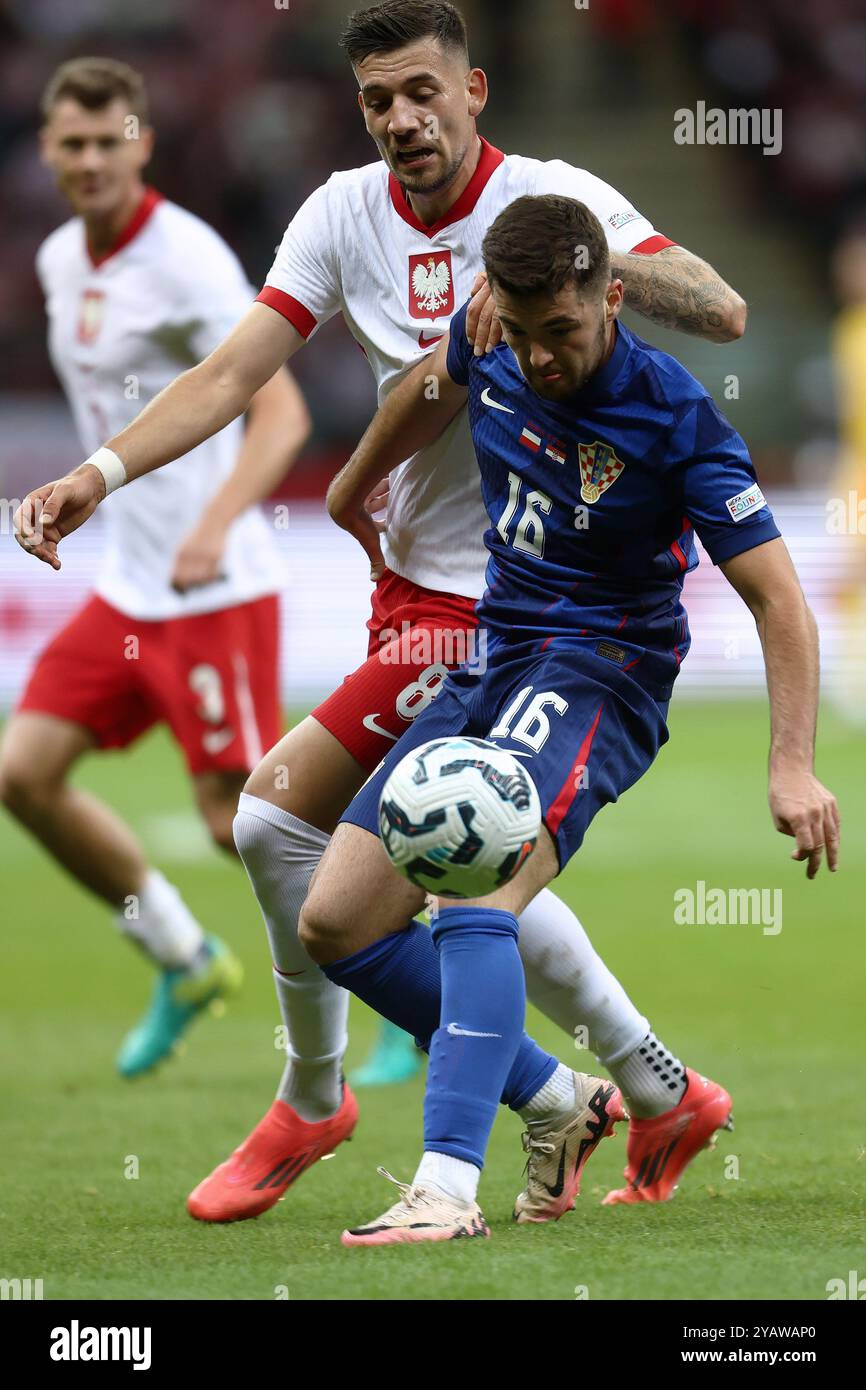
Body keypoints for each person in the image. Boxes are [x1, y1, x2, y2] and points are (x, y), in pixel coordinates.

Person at [14, 0, 751, 1222]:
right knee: (441, 857)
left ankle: (326, 1096)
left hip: (506, 603)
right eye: (375, 100)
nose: (401, 118)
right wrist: (97, 475)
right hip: (405, 582)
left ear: (472, 94)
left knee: (280, 827)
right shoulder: (338, 214)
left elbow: (716, 308)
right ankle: (645, 1082)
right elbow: (234, 375)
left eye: (422, 91)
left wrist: (568, 270)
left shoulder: (549, 198)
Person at [309, 192, 840, 1245]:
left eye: (565, 330)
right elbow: (430, 386)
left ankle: (444, 1190)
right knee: (336, 921)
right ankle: (557, 1098)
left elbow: (779, 597)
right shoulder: (489, 332)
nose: (542, 358)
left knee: (475, 881)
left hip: (603, 668)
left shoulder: (673, 413)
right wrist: (355, 482)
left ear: (610, 296)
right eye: (523, 330)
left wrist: (791, 766)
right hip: (495, 650)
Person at [0, 57, 310, 1077]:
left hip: (214, 589)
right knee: (21, 774)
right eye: (70, 144)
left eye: (107, 142)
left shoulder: (187, 260)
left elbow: (282, 410)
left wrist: (217, 520)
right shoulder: (56, 260)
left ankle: (389, 974)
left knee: (240, 821)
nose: (89, 161)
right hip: (128, 586)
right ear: (47, 150)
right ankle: (181, 955)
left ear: (141, 144)